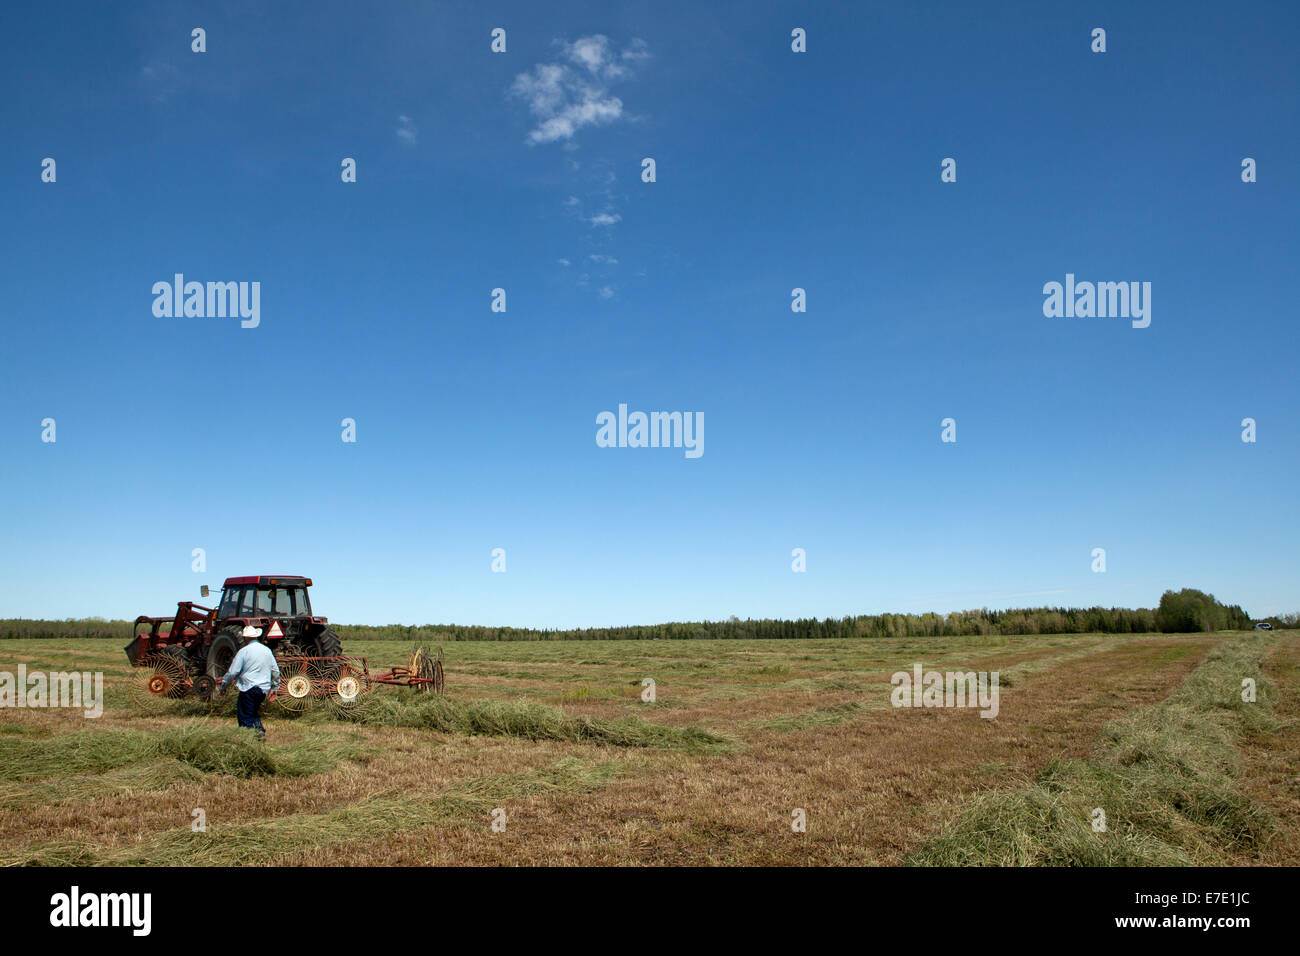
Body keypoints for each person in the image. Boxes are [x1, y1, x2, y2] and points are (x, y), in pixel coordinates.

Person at [219, 625, 280, 741]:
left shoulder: (244, 651)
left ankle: (253, 736)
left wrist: (223, 684)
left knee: (244, 715)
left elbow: (233, 672)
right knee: (252, 712)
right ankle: (258, 733)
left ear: (246, 638)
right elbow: (275, 670)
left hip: (249, 687)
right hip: (263, 689)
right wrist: (275, 687)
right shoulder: (267, 651)